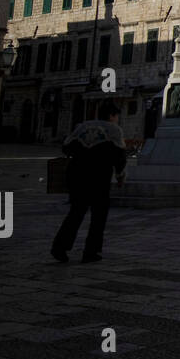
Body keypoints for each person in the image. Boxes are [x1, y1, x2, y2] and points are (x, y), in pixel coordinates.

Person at [52, 100, 128, 264]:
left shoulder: (82, 126)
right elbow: (120, 155)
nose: (116, 119)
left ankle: (60, 247)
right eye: (116, 116)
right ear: (112, 115)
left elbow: (66, 147)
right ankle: (91, 252)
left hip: (77, 173)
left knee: (76, 212)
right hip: (99, 175)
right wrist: (120, 175)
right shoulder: (113, 129)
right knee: (98, 216)